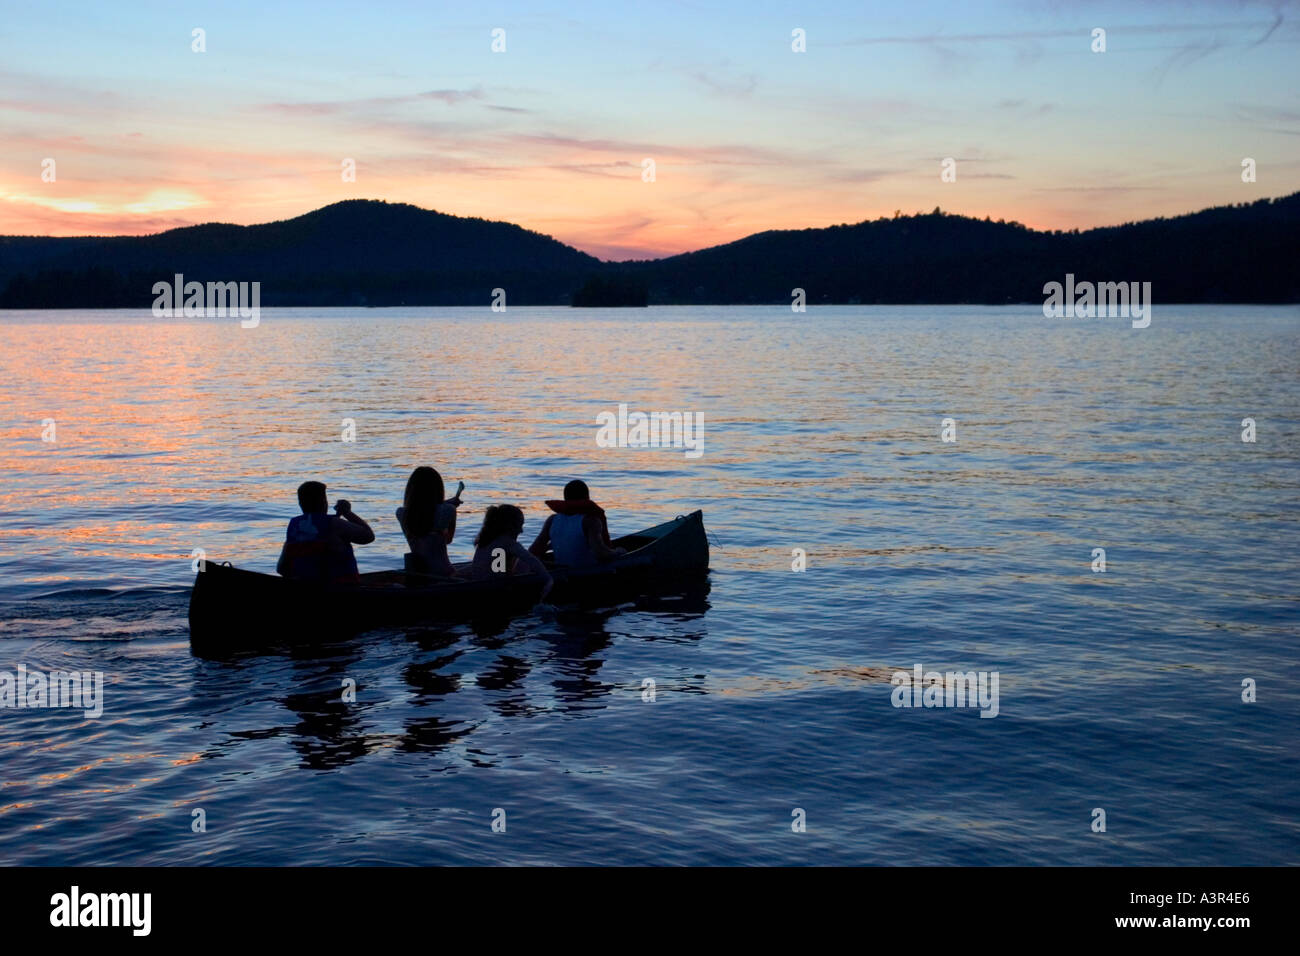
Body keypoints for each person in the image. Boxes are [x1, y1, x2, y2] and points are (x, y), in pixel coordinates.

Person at [276, 481, 375, 585]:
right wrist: (347, 513)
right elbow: (368, 536)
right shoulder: (334, 523)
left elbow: (282, 569)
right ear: (324, 502)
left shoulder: (295, 527)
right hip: (341, 588)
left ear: (300, 504)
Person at [528, 479, 626, 568]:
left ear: (565, 499)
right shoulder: (590, 521)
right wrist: (618, 552)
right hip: (587, 573)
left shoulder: (552, 520)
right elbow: (600, 553)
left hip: (561, 570)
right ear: (587, 498)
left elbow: (533, 551)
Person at [472, 504, 553, 598]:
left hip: (481, 582)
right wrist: (548, 579)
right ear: (510, 526)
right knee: (525, 562)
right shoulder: (508, 543)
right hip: (495, 591)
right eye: (520, 526)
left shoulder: (485, 541)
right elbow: (532, 560)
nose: (521, 531)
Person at [396, 466, 462, 577]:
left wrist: (446, 503)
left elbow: (423, 511)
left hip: (417, 574)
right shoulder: (449, 510)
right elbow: (448, 540)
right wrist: (448, 504)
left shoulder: (401, 513)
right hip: (443, 573)